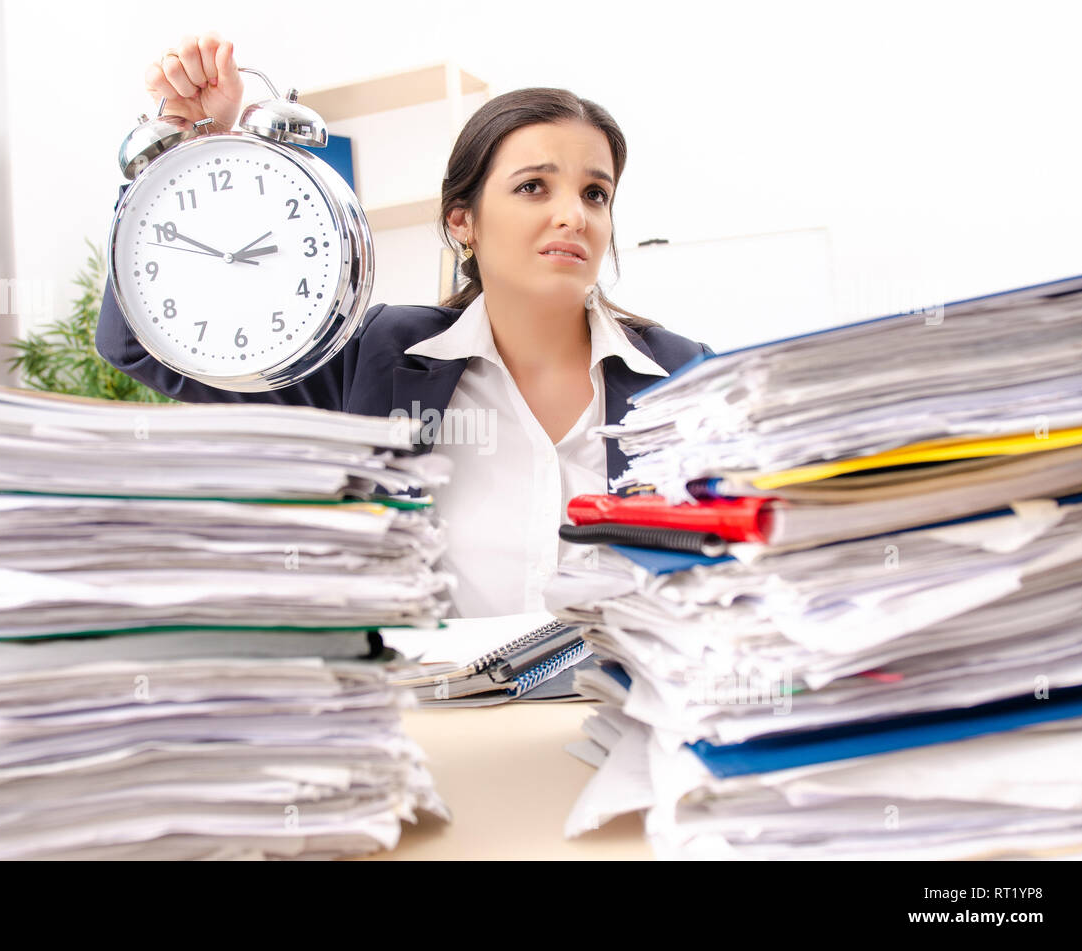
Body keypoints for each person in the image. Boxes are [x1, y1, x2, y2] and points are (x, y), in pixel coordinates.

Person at [96, 32, 714, 617]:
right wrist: (188, 148)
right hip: (437, 720)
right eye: (533, 187)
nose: (572, 216)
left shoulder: (688, 377)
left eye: (595, 194)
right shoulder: (376, 357)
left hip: (627, 718)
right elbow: (138, 345)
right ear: (462, 222)